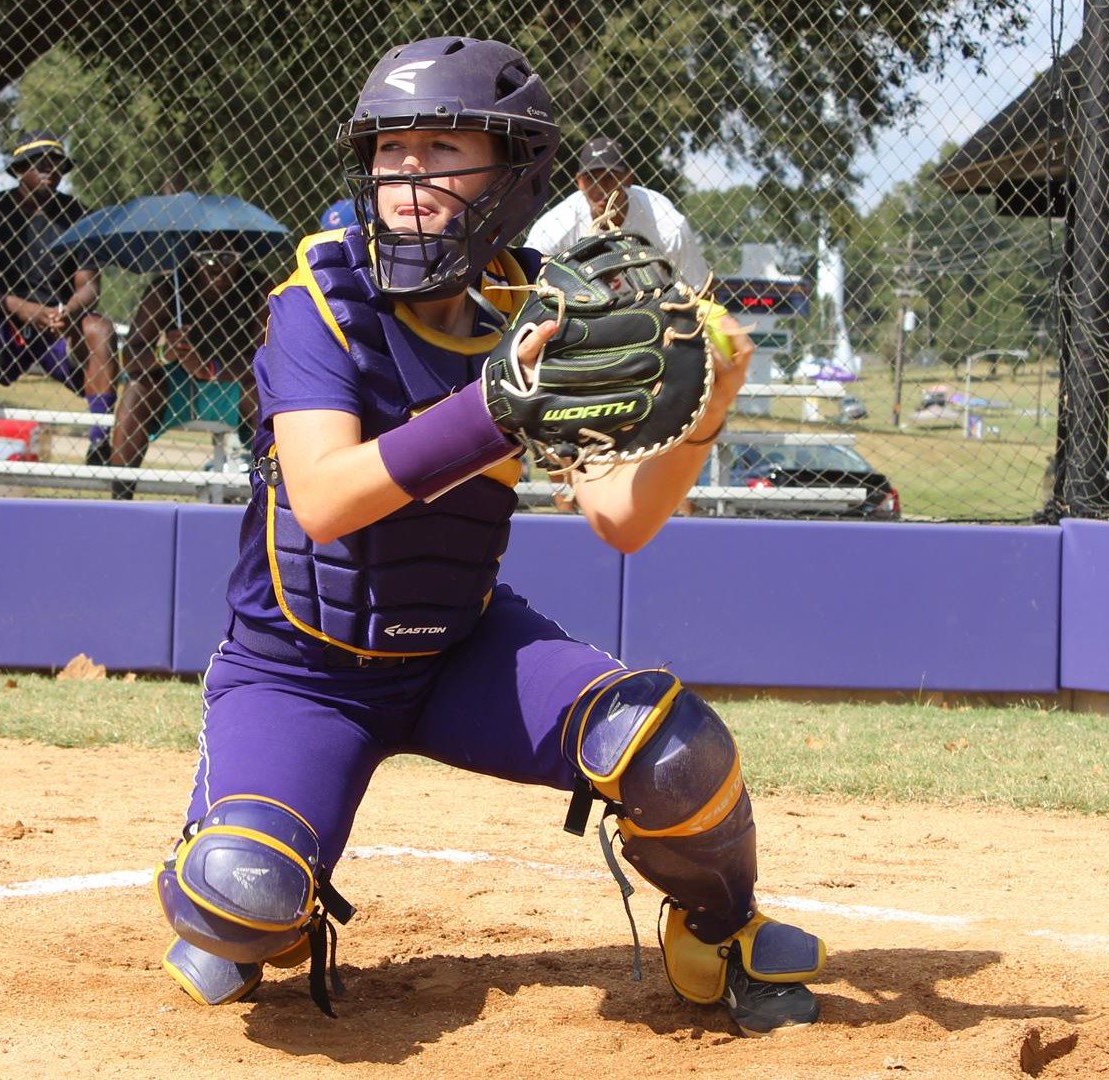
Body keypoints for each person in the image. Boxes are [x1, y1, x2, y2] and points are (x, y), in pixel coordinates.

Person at [151, 37, 824, 1037]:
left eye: (440, 147)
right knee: (239, 894)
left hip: (461, 652)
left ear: (511, 174)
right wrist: (496, 408)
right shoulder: (319, 299)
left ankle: (717, 930)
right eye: (391, 149)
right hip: (301, 674)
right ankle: (258, 875)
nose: (408, 171)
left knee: (671, 746)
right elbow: (327, 499)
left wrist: (712, 408)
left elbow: (623, 519)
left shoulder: (540, 307)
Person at [0, 131, 116, 451]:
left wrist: (68, 311)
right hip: (3, 325)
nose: (51, 170)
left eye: (57, 164)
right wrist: (18, 306)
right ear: (18, 169)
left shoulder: (80, 216)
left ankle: (100, 442)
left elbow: (89, 287)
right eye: (40, 163)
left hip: (58, 328)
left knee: (100, 328)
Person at [103, 242, 270, 485]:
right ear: (192, 258)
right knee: (137, 387)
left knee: (263, 392)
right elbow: (130, 358)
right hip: (178, 386)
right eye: (207, 257)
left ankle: (269, 492)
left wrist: (209, 368)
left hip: (236, 385)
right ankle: (120, 493)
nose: (217, 267)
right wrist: (164, 353)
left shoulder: (258, 288)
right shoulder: (170, 287)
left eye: (227, 257)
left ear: (240, 257)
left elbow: (268, 360)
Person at [524, 136, 710, 285]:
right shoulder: (554, 227)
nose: (601, 188)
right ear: (579, 182)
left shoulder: (666, 224)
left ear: (628, 178)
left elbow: (699, 291)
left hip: (654, 314)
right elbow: (526, 288)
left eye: (610, 177)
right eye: (591, 178)